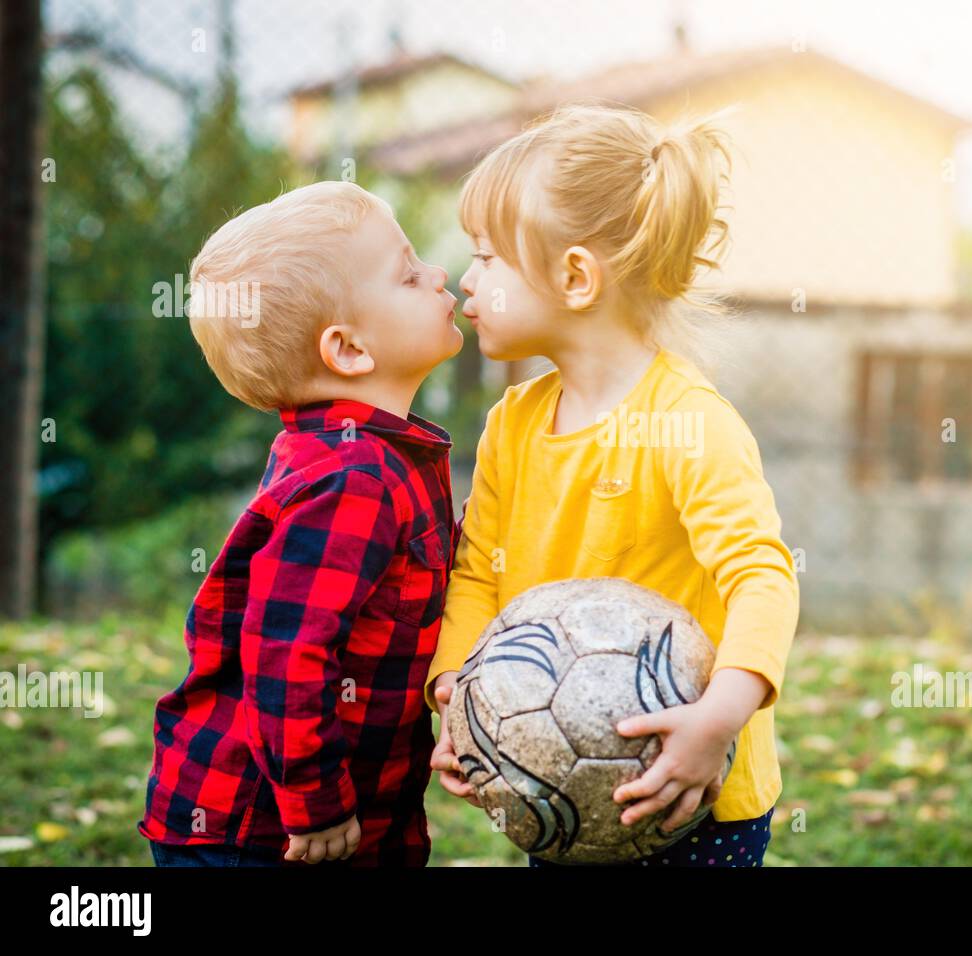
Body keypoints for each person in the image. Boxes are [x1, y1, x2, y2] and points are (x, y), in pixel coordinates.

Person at [424, 103, 799, 867]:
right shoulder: (514, 422)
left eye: (489, 257)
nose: (467, 278)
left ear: (574, 276)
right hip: (557, 790)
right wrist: (462, 695)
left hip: (692, 798)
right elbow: (475, 575)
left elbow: (762, 578)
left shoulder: (688, 420)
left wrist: (716, 721)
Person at [138, 181, 463, 866]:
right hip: (258, 830)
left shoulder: (365, 454)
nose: (438, 275)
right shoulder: (352, 478)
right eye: (408, 275)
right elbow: (286, 654)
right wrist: (316, 805)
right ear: (347, 350)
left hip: (345, 811)